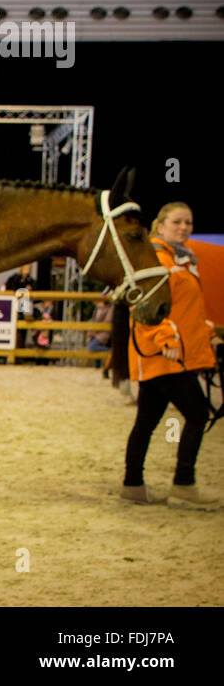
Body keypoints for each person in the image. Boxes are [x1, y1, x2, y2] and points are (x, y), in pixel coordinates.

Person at [122, 201, 221, 506]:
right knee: (197, 413)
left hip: (173, 353)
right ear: (160, 226)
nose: (184, 227)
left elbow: (184, 310)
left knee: (147, 420)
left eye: (188, 223)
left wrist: (206, 335)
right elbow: (145, 306)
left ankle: (133, 484)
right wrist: (165, 340)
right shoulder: (157, 261)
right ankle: (184, 483)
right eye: (177, 222)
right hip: (166, 354)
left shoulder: (180, 260)